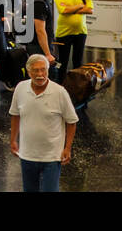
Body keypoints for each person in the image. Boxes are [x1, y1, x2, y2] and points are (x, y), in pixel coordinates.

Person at [9, 53, 78, 192]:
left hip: (51, 157)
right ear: (29, 72)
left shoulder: (59, 92)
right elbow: (15, 115)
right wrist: (13, 140)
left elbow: (71, 121)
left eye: (43, 70)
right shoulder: (20, 89)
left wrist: (67, 148)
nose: (40, 74)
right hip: (27, 154)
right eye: (35, 70)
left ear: (48, 70)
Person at [53, 0, 93, 71]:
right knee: (62, 63)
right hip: (63, 32)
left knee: (78, 63)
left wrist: (71, 9)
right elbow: (63, 10)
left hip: (81, 32)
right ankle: (60, 86)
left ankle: (76, 88)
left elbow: (90, 9)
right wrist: (80, 6)